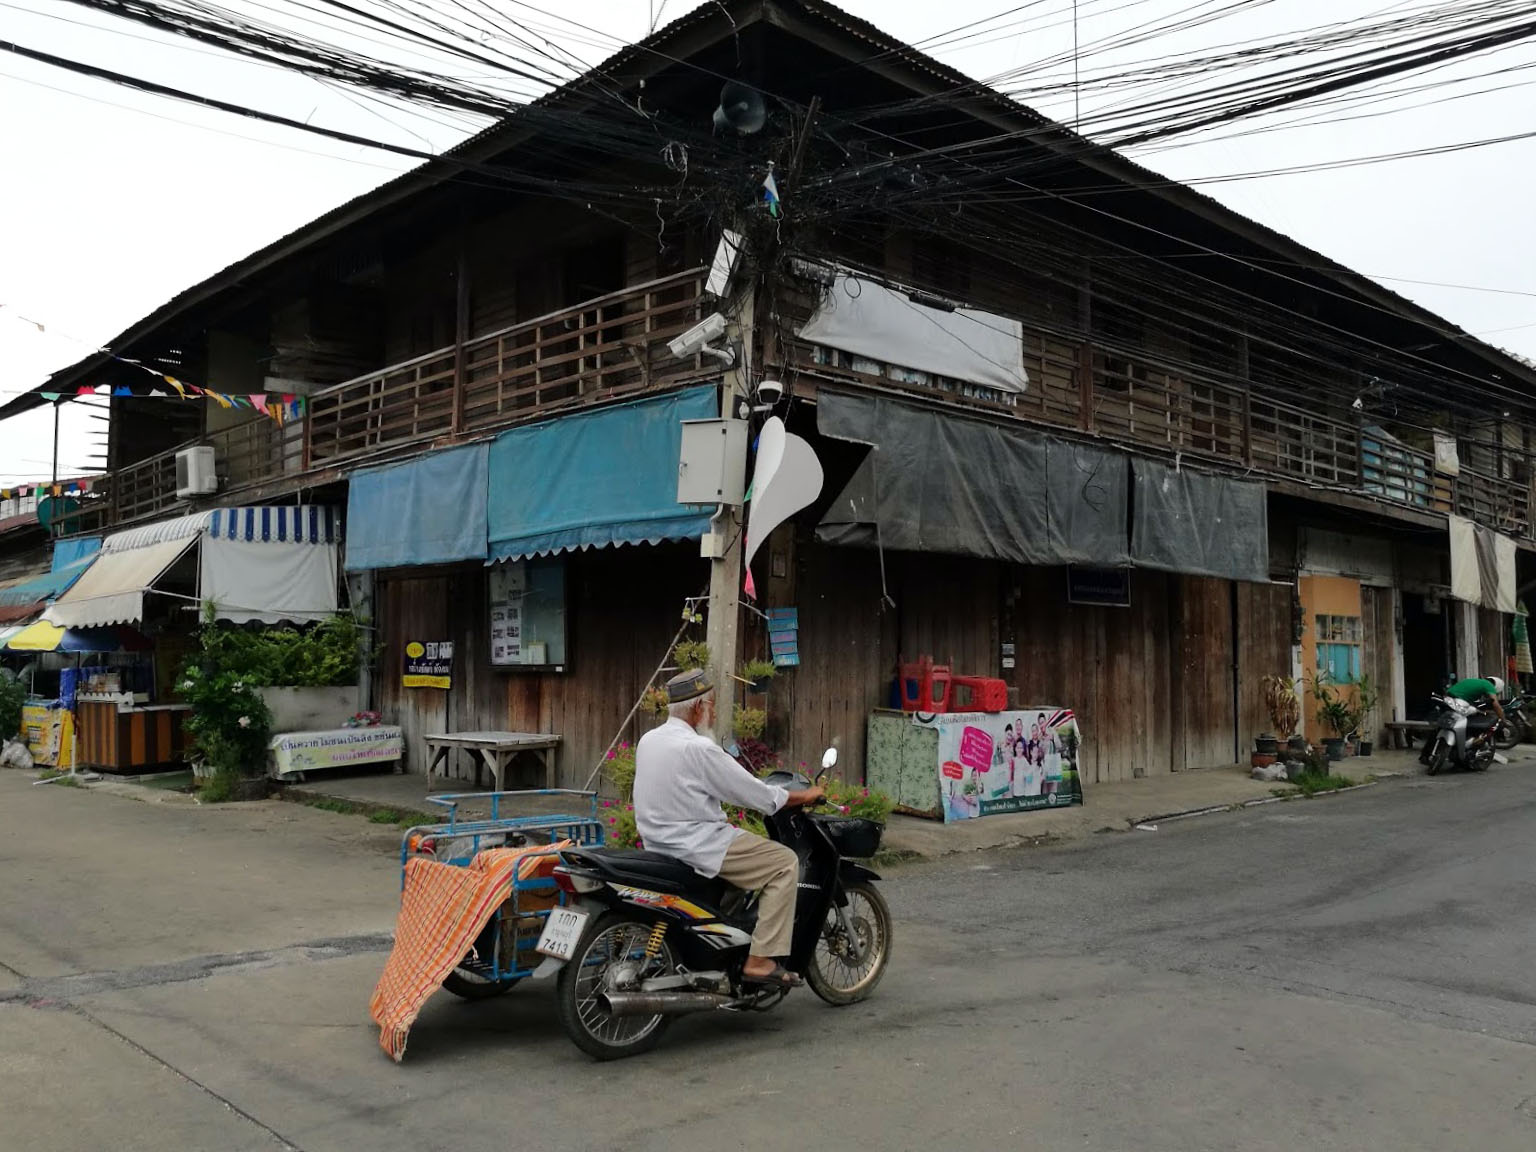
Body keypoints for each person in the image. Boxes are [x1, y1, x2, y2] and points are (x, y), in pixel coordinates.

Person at [633, 668, 824, 988]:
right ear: (698, 708)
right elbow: (756, 795)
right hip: (697, 844)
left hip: (658, 842)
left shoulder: (649, 741)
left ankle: (723, 944)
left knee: (743, 862)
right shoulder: (698, 748)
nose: (713, 711)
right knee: (783, 863)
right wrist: (804, 795)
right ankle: (761, 960)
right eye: (711, 705)